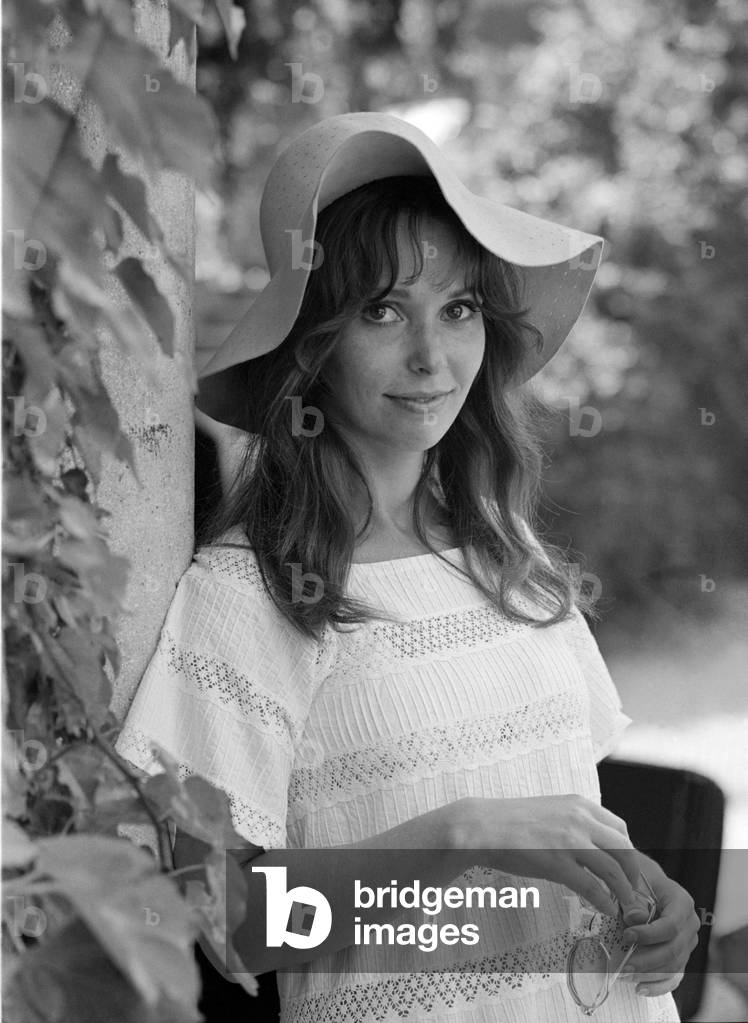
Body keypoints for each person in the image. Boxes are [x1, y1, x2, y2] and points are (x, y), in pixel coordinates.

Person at [115, 112, 699, 1023]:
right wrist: (460, 836)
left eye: (458, 308)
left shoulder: (512, 558)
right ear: (310, 342)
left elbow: (568, 816)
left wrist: (654, 896)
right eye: (383, 310)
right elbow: (225, 923)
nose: (431, 357)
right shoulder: (252, 592)